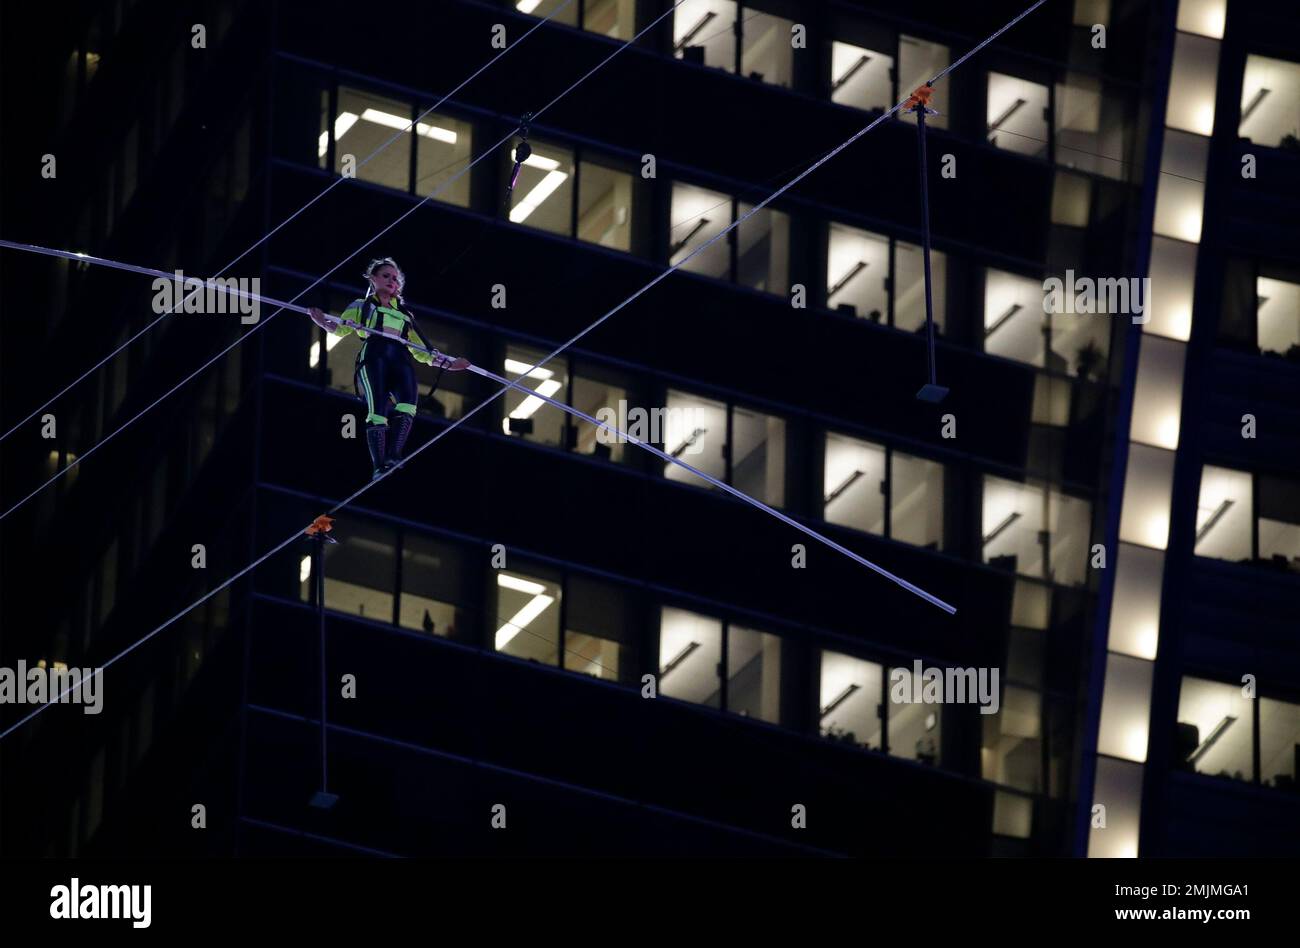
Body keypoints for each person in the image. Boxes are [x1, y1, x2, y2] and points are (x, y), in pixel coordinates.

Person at [309, 257, 439, 479]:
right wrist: (320, 320)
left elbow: (422, 351)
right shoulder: (361, 305)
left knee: (408, 404)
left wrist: (449, 364)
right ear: (373, 279)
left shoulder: (406, 315)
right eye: (386, 276)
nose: (391, 281)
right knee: (378, 410)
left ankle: (394, 455)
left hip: (400, 359)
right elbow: (339, 329)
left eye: (395, 279)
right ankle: (379, 465)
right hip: (374, 356)